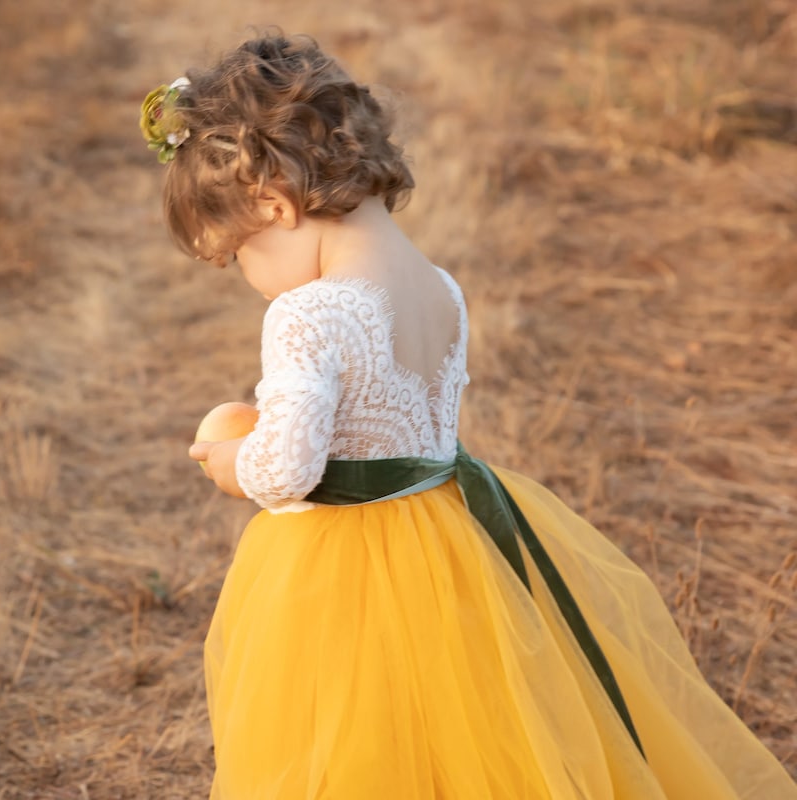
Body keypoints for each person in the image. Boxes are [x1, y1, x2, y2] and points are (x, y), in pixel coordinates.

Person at [140, 30, 797, 800]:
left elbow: (289, 469)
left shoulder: (308, 312)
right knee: (464, 722)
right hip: (451, 538)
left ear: (273, 204)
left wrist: (231, 460)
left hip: (343, 568)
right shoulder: (439, 287)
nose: (248, 278)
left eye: (237, 256)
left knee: (359, 732)